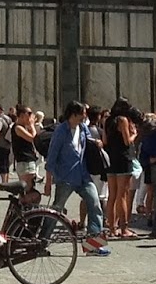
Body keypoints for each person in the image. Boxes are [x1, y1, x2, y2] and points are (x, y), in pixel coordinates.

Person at [45, 101, 109, 255]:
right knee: (56, 210)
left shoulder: (83, 128)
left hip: (83, 175)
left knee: (94, 204)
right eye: (82, 114)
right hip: (65, 178)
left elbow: (89, 142)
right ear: (73, 115)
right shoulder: (61, 132)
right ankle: (42, 241)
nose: (84, 117)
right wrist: (48, 182)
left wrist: (97, 143)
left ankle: (93, 245)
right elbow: (51, 157)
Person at [105, 98, 139, 239]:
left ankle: (112, 228)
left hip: (110, 158)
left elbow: (105, 141)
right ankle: (124, 229)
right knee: (122, 195)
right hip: (123, 158)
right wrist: (134, 134)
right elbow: (127, 141)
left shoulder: (107, 120)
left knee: (112, 195)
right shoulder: (122, 120)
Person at [9, 104, 42, 193]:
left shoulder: (23, 126)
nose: (31, 117)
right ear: (22, 116)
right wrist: (32, 125)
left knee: (28, 188)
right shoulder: (18, 127)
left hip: (27, 160)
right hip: (25, 161)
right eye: (29, 114)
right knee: (28, 189)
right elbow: (32, 138)